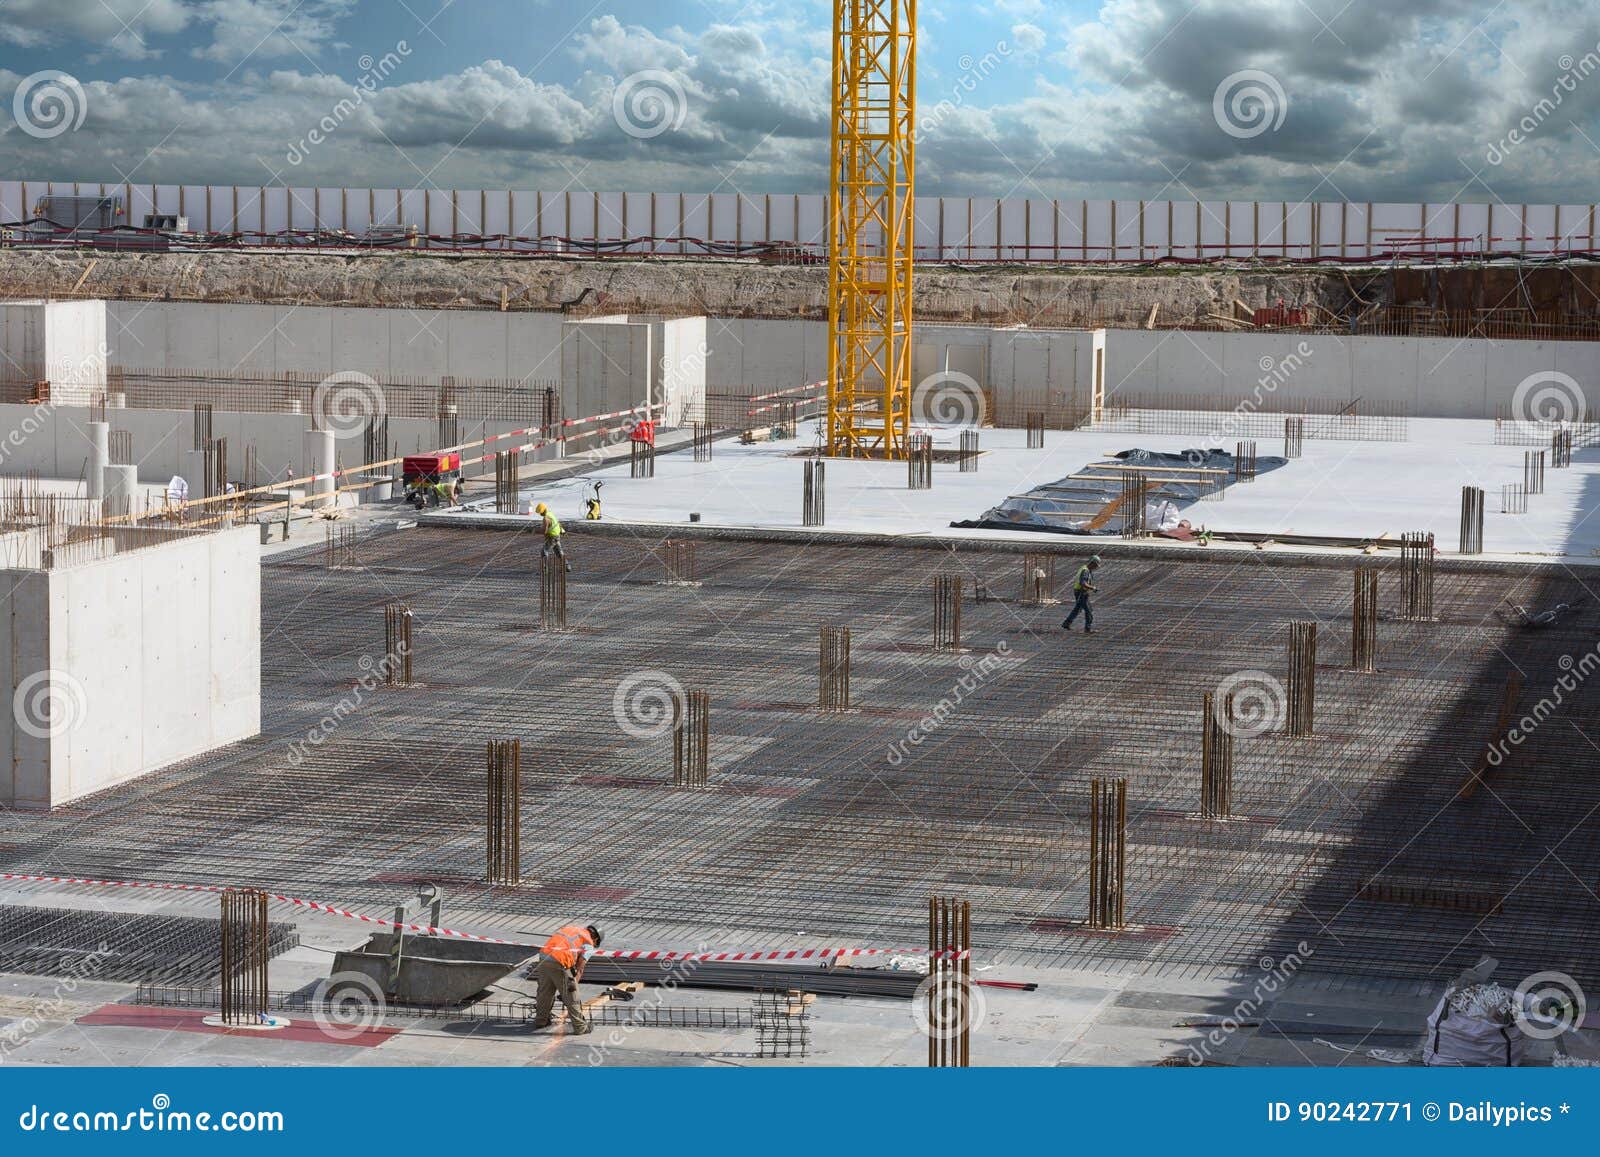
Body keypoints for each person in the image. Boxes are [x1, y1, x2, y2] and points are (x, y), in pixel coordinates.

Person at [532, 923, 602, 1033]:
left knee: (545, 992)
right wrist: (572, 986)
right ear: (596, 938)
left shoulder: (572, 929)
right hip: (560, 961)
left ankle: (541, 1021)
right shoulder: (588, 943)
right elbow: (580, 968)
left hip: (544, 957)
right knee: (572, 996)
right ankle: (580, 1027)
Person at [1061, 555, 1100, 633]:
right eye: (1096, 565)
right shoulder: (1085, 571)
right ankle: (1088, 629)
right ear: (1092, 563)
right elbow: (1083, 583)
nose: (1096, 567)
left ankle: (1066, 623)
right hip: (1081, 593)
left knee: (1078, 608)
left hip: (1079, 592)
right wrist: (1093, 588)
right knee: (1089, 611)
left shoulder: (1084, 568)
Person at [536, 501, 570, 571]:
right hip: (557, 536)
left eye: (540, 512)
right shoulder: (550, 514)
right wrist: (562, 530)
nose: (540, 514)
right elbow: (558, 523)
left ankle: (545, 569)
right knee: (559, 552)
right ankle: (567, 566)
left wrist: (539, 531)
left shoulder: (546, 519)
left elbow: (545, 531)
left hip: (552, 537)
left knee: (544, 551)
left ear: (543, 511)